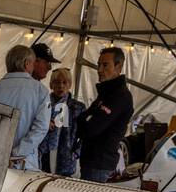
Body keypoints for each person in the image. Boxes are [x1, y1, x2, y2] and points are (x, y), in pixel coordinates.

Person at [0, 45, 50, 171]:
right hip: (25, 162)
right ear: (26, 64)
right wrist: (17, 152)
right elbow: (41, 127)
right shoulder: (41, 91)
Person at [76, 46, 133, 183]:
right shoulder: (106, 94)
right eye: (99, 65)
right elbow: (83, 118)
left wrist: (85, 122)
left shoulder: (119, 96)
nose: (100, 70)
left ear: (118, 67)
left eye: (105, 65)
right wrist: (84, 121)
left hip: (100, 165)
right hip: (91, 161)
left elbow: (91, 128)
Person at [39, 67, 84, 176]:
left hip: (66, 158)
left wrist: (76, 153)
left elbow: (84, 135)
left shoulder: (77, 107)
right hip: (43, 154)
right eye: (57, 82)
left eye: (65, 82)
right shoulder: (43, 104)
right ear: (51, 84)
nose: (61, 86)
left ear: (70, 85)